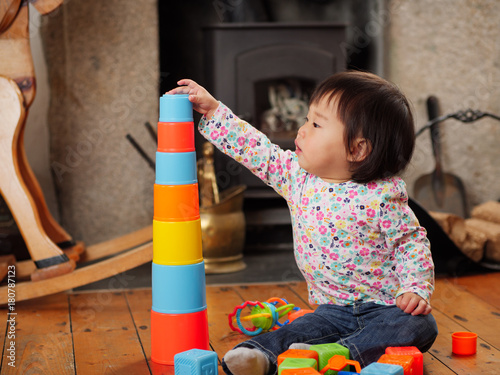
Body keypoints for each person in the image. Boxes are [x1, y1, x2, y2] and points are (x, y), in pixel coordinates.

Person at [167, 71, 438, 375]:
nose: (302, 129)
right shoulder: (298, 178)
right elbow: (257, 150)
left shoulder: (384, 196)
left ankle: (341, 352)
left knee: (421, 326)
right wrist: (215, 111)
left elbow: (411, 243)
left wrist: (415, 288)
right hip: (330, 311)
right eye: (307, 120)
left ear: (357, 149)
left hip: (386, 309)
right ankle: (256, 356)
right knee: (300, 329)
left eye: (316, 124)